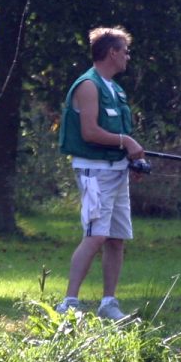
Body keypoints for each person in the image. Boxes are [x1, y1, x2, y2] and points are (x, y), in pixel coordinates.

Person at [56, 26, 145, 320]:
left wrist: (130, 159)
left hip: (117, 171)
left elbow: (114, 133)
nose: (128, 57)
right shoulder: (88, 85)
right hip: (94, 172)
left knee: (116, 238)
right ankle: (69, 303)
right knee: (95, 235)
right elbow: (90, 132)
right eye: (126, 51)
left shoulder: (114, 88)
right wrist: (127, 142)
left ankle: (108, 303)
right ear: (112, 53)